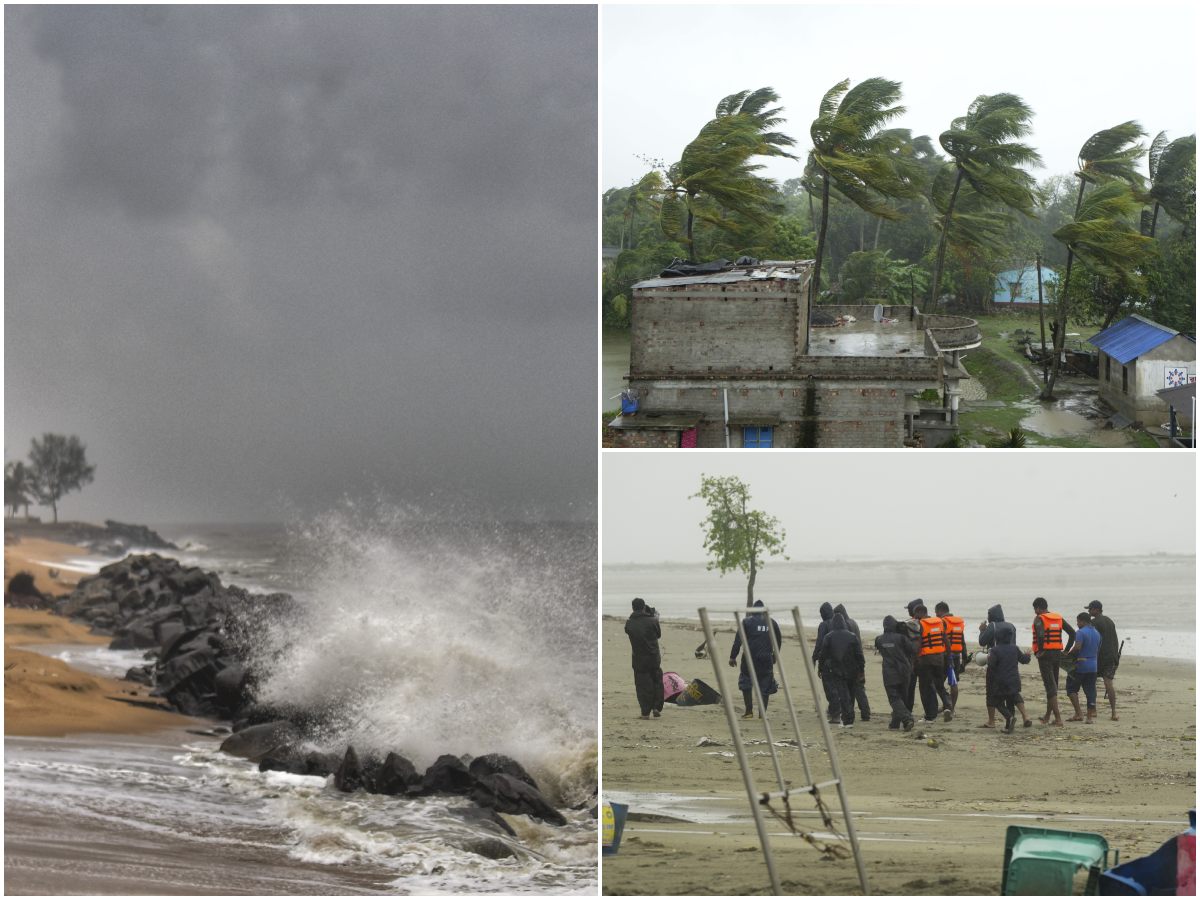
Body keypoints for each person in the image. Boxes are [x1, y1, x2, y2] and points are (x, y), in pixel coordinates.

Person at [729, 599, 782, 719]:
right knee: (765, 684)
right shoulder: (772, 623)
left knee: (746, 682)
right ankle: (762, 714)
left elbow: (738, 641)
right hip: (766, 659)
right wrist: (775, 655)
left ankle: (748, 712)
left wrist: (733, 657)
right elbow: (778, 641)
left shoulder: (746, 622)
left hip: (749, 659)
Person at [1031, 597, 1076, 727]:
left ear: (1039, 608)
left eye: (1035, 609)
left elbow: (1040, 636)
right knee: (1053, 684)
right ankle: (1047, 716)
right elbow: (1072, 633)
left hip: (1045, 655)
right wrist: (1066, 650)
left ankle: (1058, 719)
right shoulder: (1058, 618)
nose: (1035, 612)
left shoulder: (1040, 619)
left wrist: (1040, 651)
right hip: (1057, 653)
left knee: (1050, 687)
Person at [817, 612, 865, 728]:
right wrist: (861, 669)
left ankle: (848, 721)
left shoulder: (829, 637)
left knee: (843, 695)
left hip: (838, 670)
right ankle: (849, 718)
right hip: (852, 670)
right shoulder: (852, 636)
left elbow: (823, 655)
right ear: (844, 623)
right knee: (851, 694)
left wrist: (820, 667)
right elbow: (859, 655)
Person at [874, 614, 916, 731]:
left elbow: (880, 647)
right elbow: (913, 649)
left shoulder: (879, 639)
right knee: (901, 698)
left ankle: (907, 719)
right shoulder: (901, 638)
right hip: (904, 671)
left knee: (894, 698)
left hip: (889, 672)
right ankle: (895, 723)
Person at [987, 625, 1032, 733]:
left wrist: (988, 659)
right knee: (1013, 698)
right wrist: (1028, 655)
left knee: (996, 701)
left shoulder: (995, 650)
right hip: (1014, 679)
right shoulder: (1014, 648)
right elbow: (1024, 660)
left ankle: (1009, 717)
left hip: (1001, 681)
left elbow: (992, 665)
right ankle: (1017, 722)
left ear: (997, 637)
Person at [625, 597, 663, 720]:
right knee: (657, 680)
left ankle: (645, 712)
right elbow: (658, 635)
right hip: (653, 656)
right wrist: (652, 614)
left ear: (632, 608)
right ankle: (656, 707)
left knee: (642, 685)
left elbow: (630, 631)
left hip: (639, 658)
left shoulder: (629, 624)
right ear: (643, 607)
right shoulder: (653, 620)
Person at [834, 603, 871, 722]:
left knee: (854, 688)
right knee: (859, 687)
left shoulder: (846, 626)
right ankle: (865, 713)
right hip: (859, 659)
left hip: (851, 661)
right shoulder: (853, 622)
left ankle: (853, 713)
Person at [913, 604, 948, 724]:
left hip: (926, 661)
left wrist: (915, 658)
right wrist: (948, 657)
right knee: (939, 686)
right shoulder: (939, 622)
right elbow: (946, 639)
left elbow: (919, 644)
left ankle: (929, 716)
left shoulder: (920, 624)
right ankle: (948, 706)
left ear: (920, 613)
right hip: (940, 659)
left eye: (915, 614)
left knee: (925, 689)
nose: (914, 617)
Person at [1087, 600, 1120, 721]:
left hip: (1099, 658)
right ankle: (1114, 712)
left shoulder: (1094, 622)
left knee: (1091, 683)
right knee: (1108, 684)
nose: (1089, 612)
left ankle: (1093, 710)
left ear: (1096, 609)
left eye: (1090, 609)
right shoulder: (1110, 621)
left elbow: (1091, 640)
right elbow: (1114, 639)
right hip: (1112, 657)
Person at [1065, 612, 1101, 723]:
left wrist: (1068, 654)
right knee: (1090, 691)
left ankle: (1078, 713)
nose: (1077, 623)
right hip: (1093, 666)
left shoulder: (1080, 632)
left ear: (1082, 621)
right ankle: (1089, 717)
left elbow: (1077, 647)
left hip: (1081, 665)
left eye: (1078, 621)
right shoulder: (1097, 633)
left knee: (1071, 689)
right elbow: (1097, 649)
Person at [934, 601, 965, 716]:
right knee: (953, 683)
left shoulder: (941, 622)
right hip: (957, 656)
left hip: (945, 656)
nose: (936, 615)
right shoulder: (959, 622)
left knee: (937, 683)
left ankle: (947, 705)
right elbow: (963, 642)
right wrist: (964, 660)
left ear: (940, 611)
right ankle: (951, 709)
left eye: (936, 612)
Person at [812, 602, 839, 723]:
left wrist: (814, 658)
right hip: (841, 660)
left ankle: (835, 715)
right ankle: (835, 710)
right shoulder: (839, 623)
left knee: (829, 688)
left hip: (828, 661)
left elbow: (820, 643)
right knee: (838, 687)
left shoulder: (824, 625)